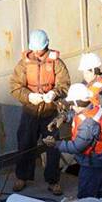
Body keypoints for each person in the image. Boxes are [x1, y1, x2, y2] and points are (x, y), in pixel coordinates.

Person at [10, 29, 70, 192]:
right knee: (25, 144)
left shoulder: (56, 63)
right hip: (30, 111)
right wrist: (29, 96)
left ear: (46, 46)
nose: (37, 52)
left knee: (52, 146)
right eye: (34, 49)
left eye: (40, 49)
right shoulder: (24, 63)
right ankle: (22, 176)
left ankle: (53, 180)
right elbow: (15, 86)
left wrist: (54, 93)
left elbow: (64, 84)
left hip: (50, 112)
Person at [44, 83, 102, 199]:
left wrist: (56, 144)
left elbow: (76, 147)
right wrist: (63, 117)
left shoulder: (88, 125)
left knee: (86, 197)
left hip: (92, 164)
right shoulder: (93, 107)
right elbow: (78, 114)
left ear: (77, 103)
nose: (70, 107)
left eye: (71, 104)